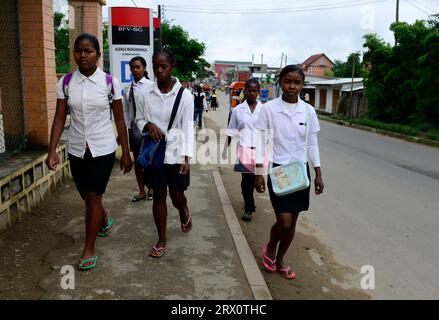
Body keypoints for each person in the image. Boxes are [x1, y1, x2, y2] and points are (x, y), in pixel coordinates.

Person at [45, 33, 132, 271]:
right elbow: (60, 117)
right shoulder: (65, 82)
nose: (82, 55)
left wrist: (125, 151)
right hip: (76, 149)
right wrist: (52, 150)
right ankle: (104, 218)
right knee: (86, 195)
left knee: (93, 197)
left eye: (88, 51)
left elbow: (119, 118)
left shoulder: (109, 83)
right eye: (78, 51)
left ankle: (89, 248)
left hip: (102, 148)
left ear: (97, 54)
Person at [254, 65, 324, 280]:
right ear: (280, 82)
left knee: (292, 222)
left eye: (297, 82)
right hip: (279, 171)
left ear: (302, 85)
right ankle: (271, 247)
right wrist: (259, 172)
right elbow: (262, 142)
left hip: (300, 172)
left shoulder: (308, 111)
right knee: (284, 221)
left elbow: (312, 143)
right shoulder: (269, 109)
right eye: (288, 81)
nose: (292, 86)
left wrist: (318, 173)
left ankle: (281, 260)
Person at [135, 48, 194, 258]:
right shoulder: (145, 93)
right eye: (156, 66)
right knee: (159, 195)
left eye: (164, 66)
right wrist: (148, 124)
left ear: (172, 67)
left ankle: (183, 210)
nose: (159, 71)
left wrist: (187, 158)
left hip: (177, 150)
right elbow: (138, 119)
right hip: (155, 151)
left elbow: (188, 127)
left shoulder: (185, 95)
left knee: (177, 195)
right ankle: (161, 239)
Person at [223, 79, 262, 222]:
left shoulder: (263, 109)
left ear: (258, 91)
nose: (252, 93)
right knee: (247, 180)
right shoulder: (238, 110)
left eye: (255, 90)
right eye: (249, 90)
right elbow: (231, 130)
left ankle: (248, 199)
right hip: (245, 148)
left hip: (260, 150)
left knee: (256, 181)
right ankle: (249, 208)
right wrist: (224, 149)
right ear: (245, 91)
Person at [123, 56, 154, 202]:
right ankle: (141, 191)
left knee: (149, 160)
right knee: (138, 161)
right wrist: (126, 128)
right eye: (132, 67)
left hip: (149, 128)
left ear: (144, 68)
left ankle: (151, 188)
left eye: (138, 67)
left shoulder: (151, 86)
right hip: (134, 130)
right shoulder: (128, 89)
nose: (135, 70)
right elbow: (126, 110)